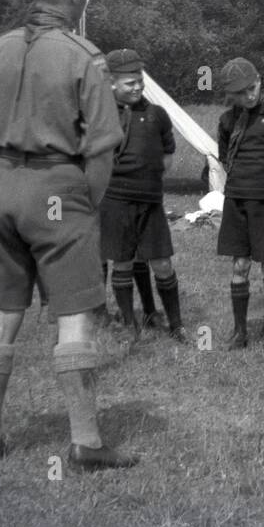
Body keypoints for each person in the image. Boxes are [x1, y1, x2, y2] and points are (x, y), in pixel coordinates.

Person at [0, 0, 137, 470]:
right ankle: (85, 441)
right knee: (74, 318)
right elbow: (103, 145)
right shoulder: (85, 57)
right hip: (59, 189)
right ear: (74, 1)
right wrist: (87, 201)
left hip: (0, 184)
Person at [100, 48, 188, 343]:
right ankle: (130, 325)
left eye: (139, 80)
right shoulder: (99, 115)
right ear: (111, 82)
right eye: (129, 82)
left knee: (162, 262)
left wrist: (148, 182)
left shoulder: (156, 114)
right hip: (115, 201)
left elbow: (167, 155)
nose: (137, 87)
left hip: (150, 201)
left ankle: (176, 325)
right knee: (122, 262)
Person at [216, 58, 264, 348]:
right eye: (241, 92)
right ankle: (239, 332)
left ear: (260, 79)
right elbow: (224, 158)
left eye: (252, 87)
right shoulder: (227, 120)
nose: (249, 95)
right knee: (240, 265)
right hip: (237, 199)